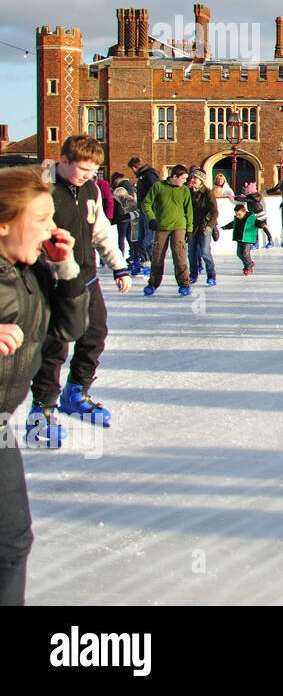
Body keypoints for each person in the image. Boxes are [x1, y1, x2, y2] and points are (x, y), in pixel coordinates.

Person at [0, 166, 88, 605]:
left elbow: (68, 330)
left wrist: (66, 269)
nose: (52, 229)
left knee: (12, 543)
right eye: (40, 220)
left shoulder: (29, 272)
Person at [27, 136, 129, 446]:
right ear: (65, 160)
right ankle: (41, 412)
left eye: (94, 170)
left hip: (85, 275)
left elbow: (100, 230)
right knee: (54, 346)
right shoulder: (42, 189)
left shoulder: (91, 189)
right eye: (84, 169)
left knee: (94, 334)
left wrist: (119, 266)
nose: (89, 175)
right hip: (51, 279)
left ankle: (76, 393)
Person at [141, 165, 193, 297]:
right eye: (183, 178)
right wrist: (151, 219)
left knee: (179, 256)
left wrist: (189, 229)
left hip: (179, 227)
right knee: (157, 256)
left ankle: (184, 284)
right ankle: (153, 283)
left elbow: (189, 211)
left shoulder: (185, 190)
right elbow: (145, 203)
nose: (185, 181)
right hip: (161, 227)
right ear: (174, 177)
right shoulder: (158, 187)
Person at [127, 157, 160, 275]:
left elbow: (156, 191)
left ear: (134, 168)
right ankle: (143, 262)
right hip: (142, 211)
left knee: (148, 240)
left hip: (149, 211)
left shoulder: (149, 175)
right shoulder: (142, 176)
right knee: (139, 238)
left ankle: (153, 263)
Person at [186, 170, 219, 287]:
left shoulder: (208, 193)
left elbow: (214, 211)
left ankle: (211, 275)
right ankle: (193, 274)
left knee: (205, 252)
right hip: (191, 226)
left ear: (201, 180)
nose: (192, 181)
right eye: (192, 178)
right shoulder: (188, 192)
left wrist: (209, 226)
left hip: (204, 226)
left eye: (195, 178)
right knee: (192, 252)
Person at [221, 203, 258, 275]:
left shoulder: (250, 218)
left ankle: (248, 267)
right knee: (239, 254)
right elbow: (232, 224)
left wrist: (262, 225)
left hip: (247, 239)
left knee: (245, 253)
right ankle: (249, 263)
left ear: (244, 212)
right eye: (236, 214)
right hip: (239, 238)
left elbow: (257, 222)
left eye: (239, 214)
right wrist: (225, 227)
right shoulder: (237, 219)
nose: (237, 216)